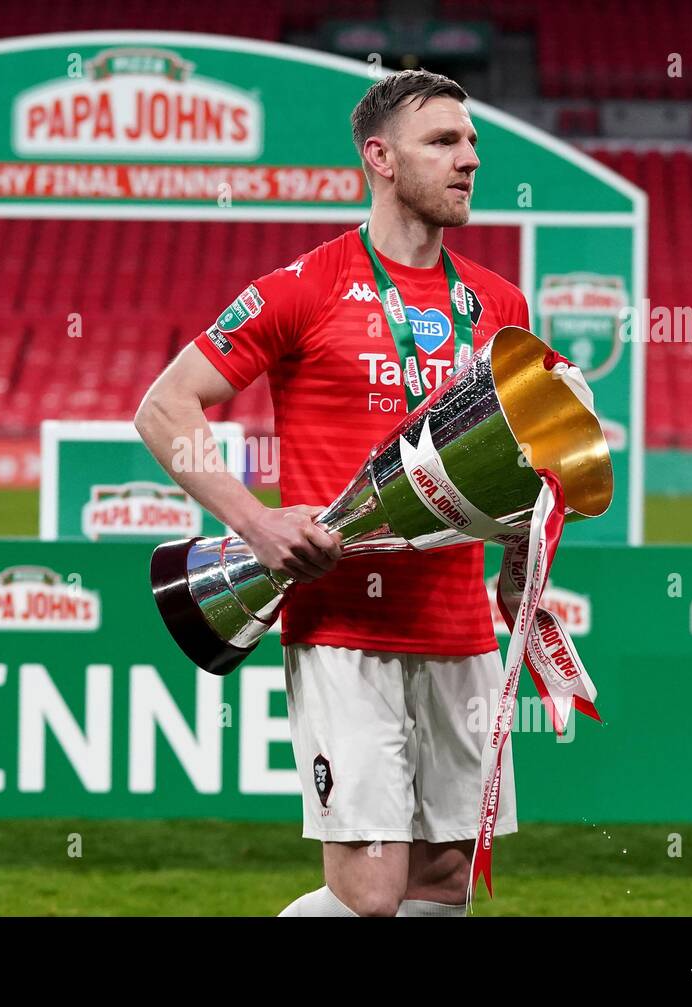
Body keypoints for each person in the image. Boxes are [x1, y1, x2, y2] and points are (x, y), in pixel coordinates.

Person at [135, 69, 528, 917]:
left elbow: (520, 459)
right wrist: (255, 522)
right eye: (444, 142)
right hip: (344, 625)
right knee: (372, 893)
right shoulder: (304, 286)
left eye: (472, 143)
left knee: (444, 880)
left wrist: (523, 555)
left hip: (460, 630)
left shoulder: (499, 304)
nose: (470, 160)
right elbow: (164, 405)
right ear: (379, 157)